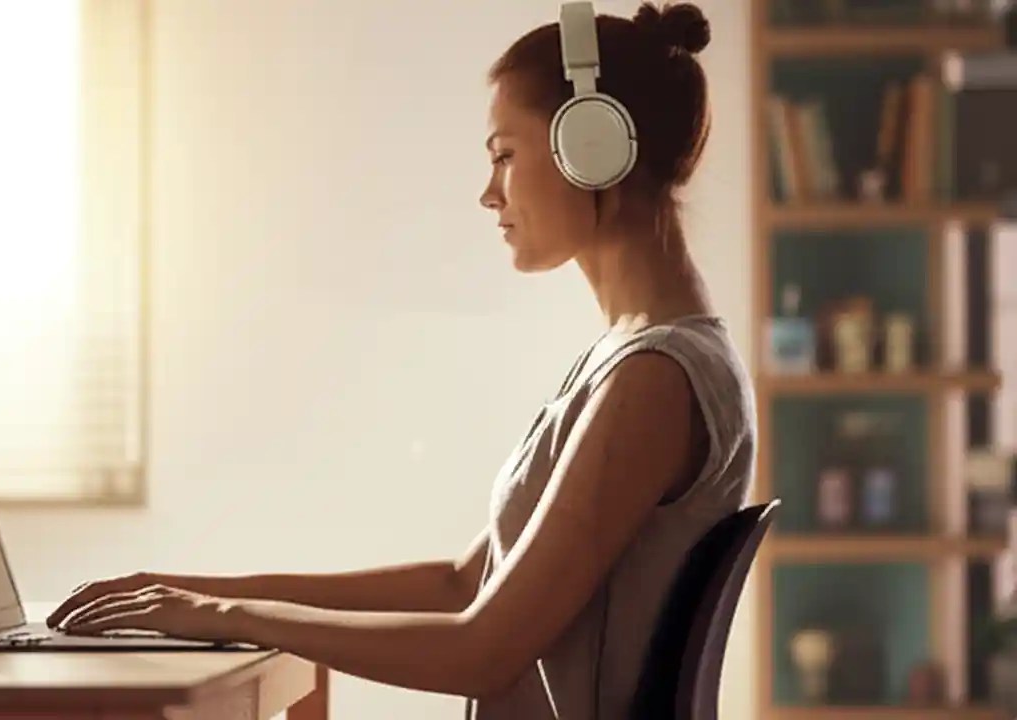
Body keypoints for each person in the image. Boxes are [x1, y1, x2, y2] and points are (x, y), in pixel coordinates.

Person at [46, 2, 755, 717]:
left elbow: (484, 648)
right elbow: (462, 584)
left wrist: (229, 619)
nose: (489, 193)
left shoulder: (653, 382)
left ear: (591, 145)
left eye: (504, 155)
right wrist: (203, 595)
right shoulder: (634, 362)